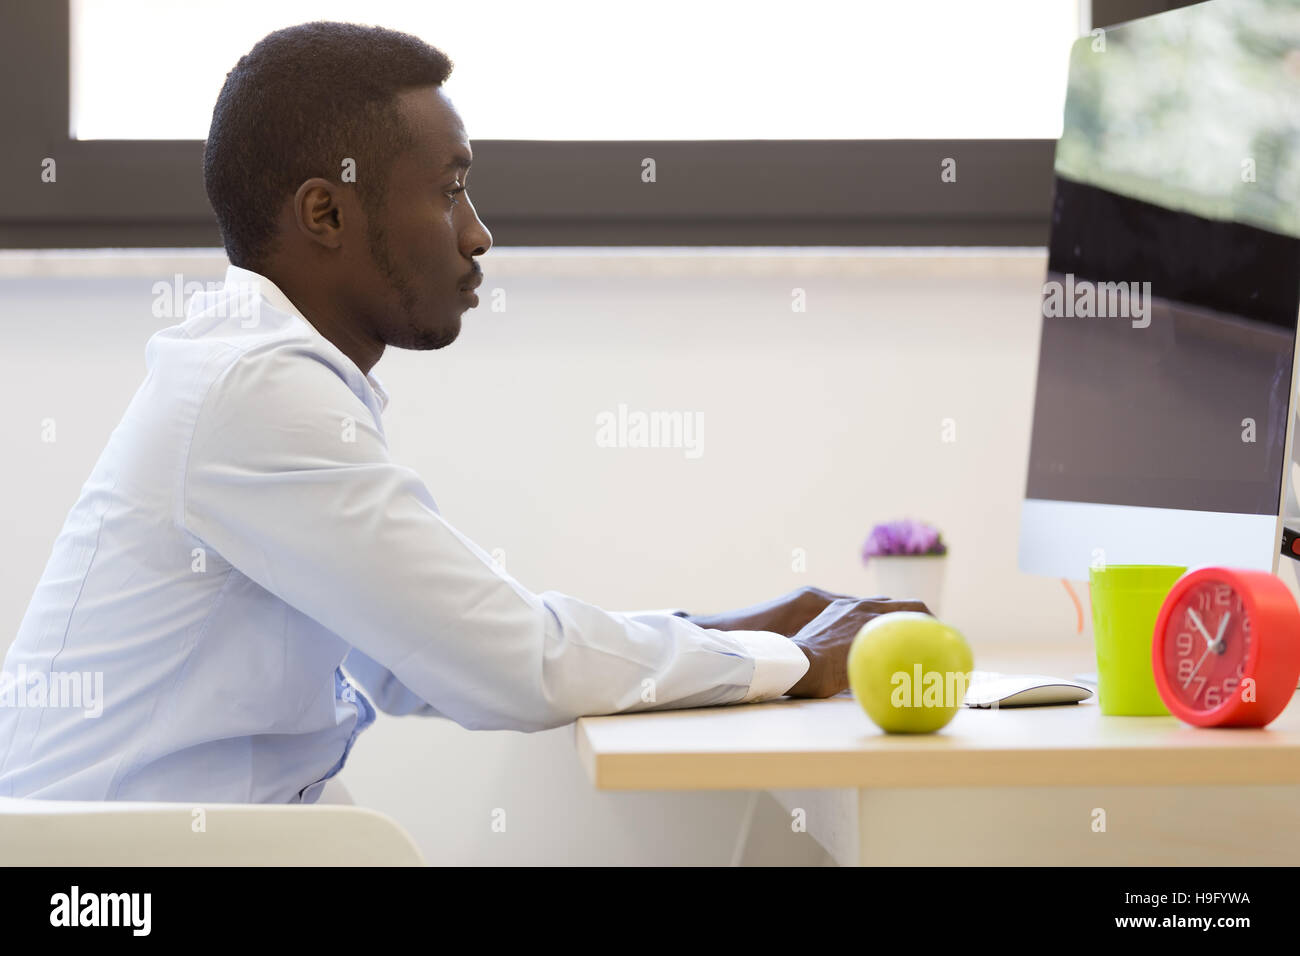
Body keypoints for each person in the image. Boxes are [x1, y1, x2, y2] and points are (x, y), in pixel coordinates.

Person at [0, 22, 925, 804]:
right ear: (324, 212)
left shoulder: (261, 377)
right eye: (448, 191)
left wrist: (736, 634)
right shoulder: (257, 390)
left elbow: (420, 656)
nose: (478, 233)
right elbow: (512, 662)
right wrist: (797, 662)